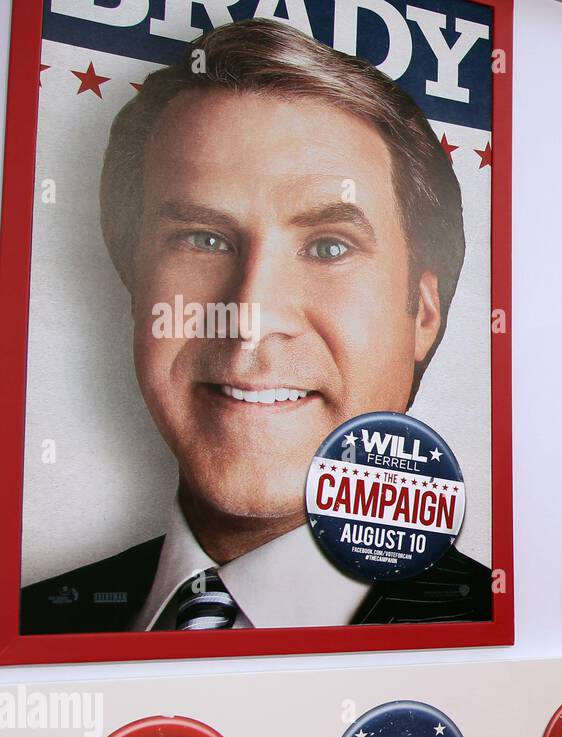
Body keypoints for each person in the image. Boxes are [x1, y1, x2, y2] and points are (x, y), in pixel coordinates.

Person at [21, 19, 490, 633]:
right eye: (203, 239)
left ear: (423, 313)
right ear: (133, 283)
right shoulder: (35, 618)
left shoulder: (496, 625)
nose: (249, 319)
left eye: (329, 247)